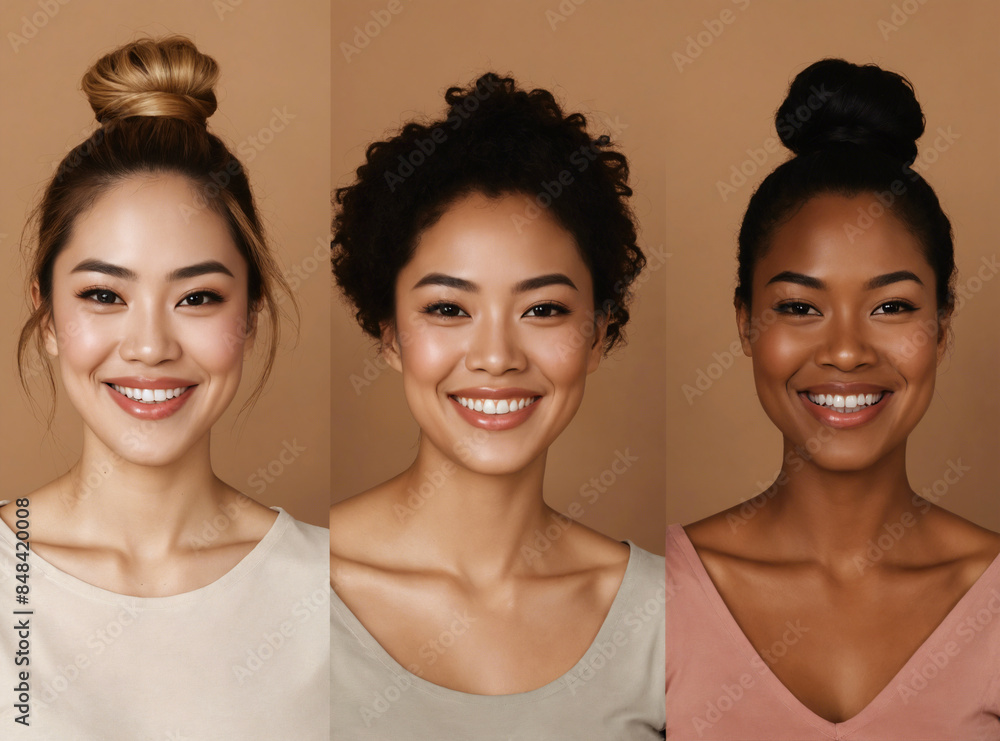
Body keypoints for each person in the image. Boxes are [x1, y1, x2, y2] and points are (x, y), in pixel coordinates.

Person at [0, 36, 328, 740]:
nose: (149, 345)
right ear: (46, 314)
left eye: (198, 297)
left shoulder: (342, 594)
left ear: (251, 314)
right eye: (103, 294)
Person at [665, 58, 1000, 739]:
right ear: (745, 323)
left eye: (892, 306)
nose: (846, 351)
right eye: (799, 305)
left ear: (942, 325)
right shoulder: (650, 600)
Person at [330, 73, 665, 739]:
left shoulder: (663, 619)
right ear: (389, 333)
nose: (495, 356)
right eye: (448, 309)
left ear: (598, 335)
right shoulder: (284, 592)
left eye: (542, 309)